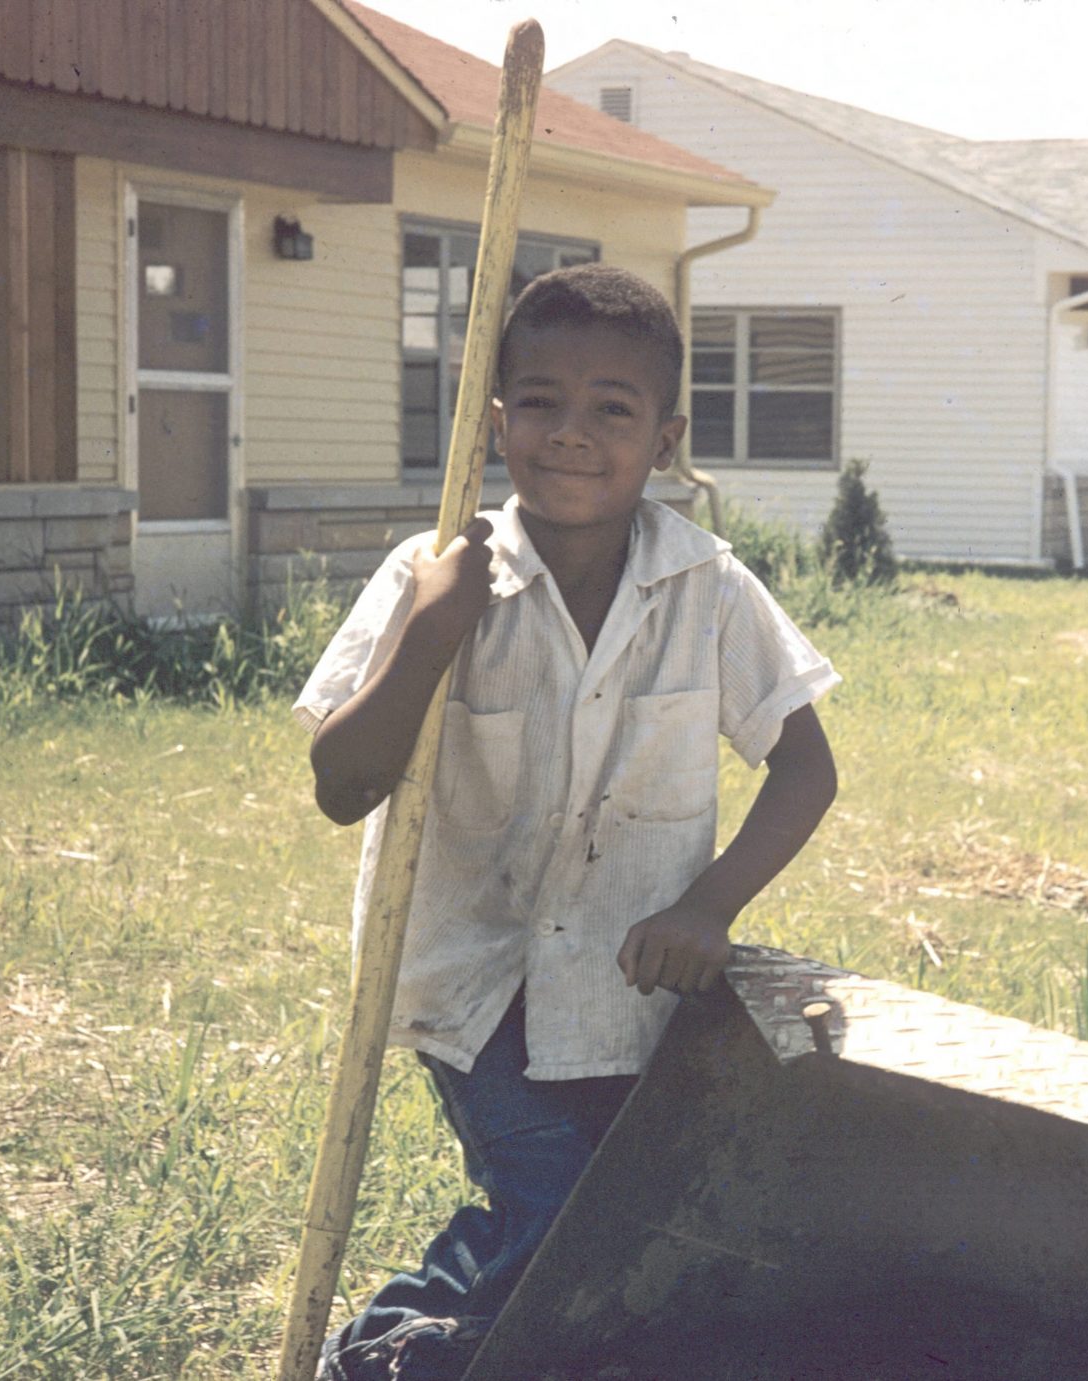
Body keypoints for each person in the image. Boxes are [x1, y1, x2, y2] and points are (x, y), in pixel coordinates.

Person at [295, 264, 841, 1381]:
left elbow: (804, 769)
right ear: (493, 423)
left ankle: (457, 1346)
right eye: (538, 402)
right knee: (555, 1205)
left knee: (609, 1226)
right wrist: (431, 636)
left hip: (625, 989)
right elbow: (342, 784)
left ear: (666, 435)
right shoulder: (431, 573)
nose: (571, 435)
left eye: (612, 409)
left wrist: (708, 904)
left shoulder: (710, 590)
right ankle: (380, 1360)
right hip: (472, 981)